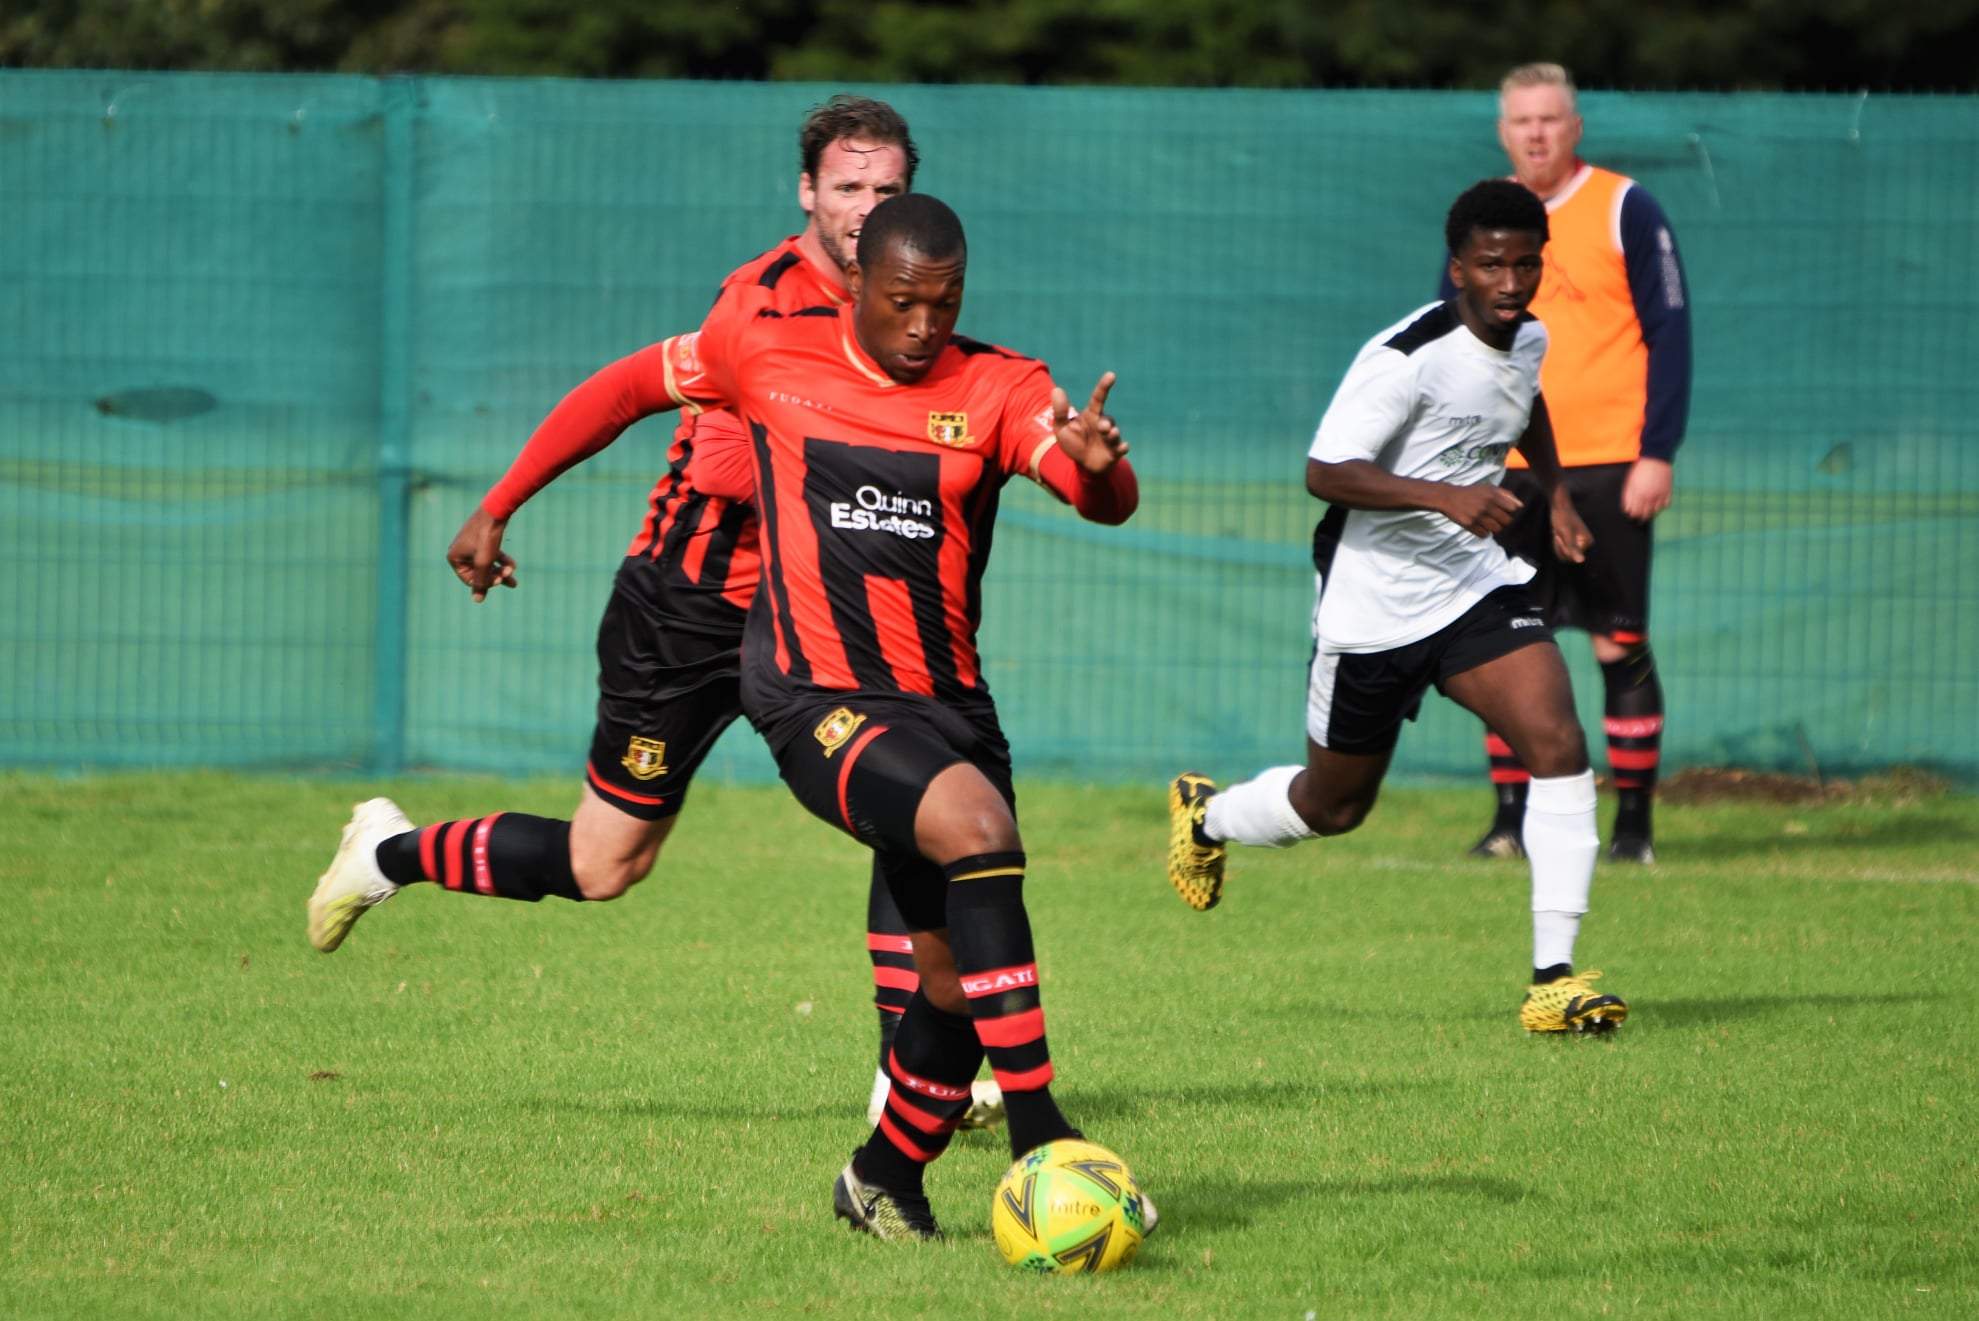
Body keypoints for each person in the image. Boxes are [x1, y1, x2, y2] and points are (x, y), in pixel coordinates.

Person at [306, 95, 1000, 1130]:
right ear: (805, 193)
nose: (865, 207)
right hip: (690, 608)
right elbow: (639, 395)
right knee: (604, 864)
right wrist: (497, 504)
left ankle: (903, 1072)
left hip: (821, 621)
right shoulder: (759, 309)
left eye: (885, 189)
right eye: (846, 188)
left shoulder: (910, 306)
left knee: (914, 801)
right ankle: (388, 852)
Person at [657, 192, 1147, 1240]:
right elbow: (622, 389)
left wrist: (1102, 472)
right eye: (901, 301)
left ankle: (879, 1179)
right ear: (857, 289)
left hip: (951, 714)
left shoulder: (1001, 383)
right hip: (815, 703)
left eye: (944, 301)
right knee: (977, 831)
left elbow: (1087, 487)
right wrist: (498, 504)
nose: (925, 323)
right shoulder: (767, 351)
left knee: (954, 989)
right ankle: (1040, 1135)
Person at [1167, 179, 1629, 1038]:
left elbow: (1524, 402)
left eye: (1526, 263)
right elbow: (1324, 471)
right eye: (1491, 264)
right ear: (1458, 267)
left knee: (1559, 744)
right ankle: (1209, 814)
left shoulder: (1529, 336)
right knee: (1334, 807)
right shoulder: (1405, 354)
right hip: (1370, 604)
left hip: (1468, 586)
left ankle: (1553, 980)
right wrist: (1445, 498)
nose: (1511, 281)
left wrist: (1557, 493)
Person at [1458, 62, 1693, 865]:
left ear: (1574, 127)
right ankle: (1508, 820)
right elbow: (1453, 346)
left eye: (1549, 120)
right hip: (1507, 473)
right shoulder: (1486, 220)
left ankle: (1632, 828)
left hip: (1607, 465)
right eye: (1521, 120)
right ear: (1502, 130)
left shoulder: (1624, 205)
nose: (1535, 133)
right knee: (1501, 644)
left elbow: (1671, 330)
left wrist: (1655, 452)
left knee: (1615, 643)